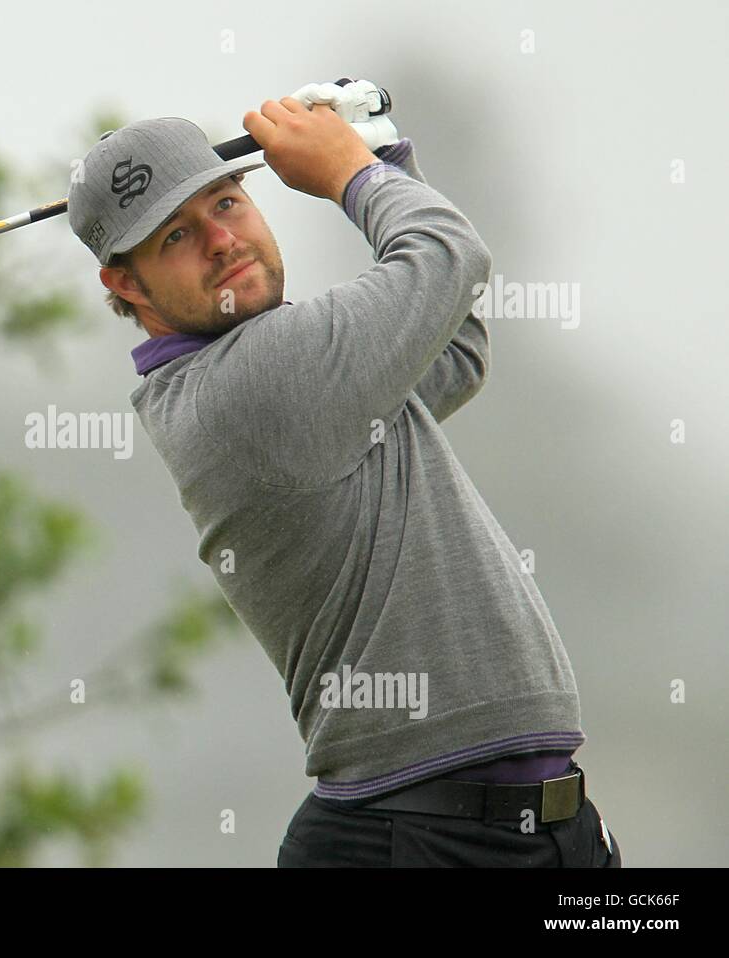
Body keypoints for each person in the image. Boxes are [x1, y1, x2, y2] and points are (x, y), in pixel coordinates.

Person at [66, 85, 620, 867]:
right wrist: (352, 171)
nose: (221, 240)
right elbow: (449, 257)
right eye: (175, 238)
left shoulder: (280, 375)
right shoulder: (256, 379)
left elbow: (452, 351)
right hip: (423, 836)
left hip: (524, 828)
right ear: (125, 285)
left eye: (225, 203)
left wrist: (387, 153)